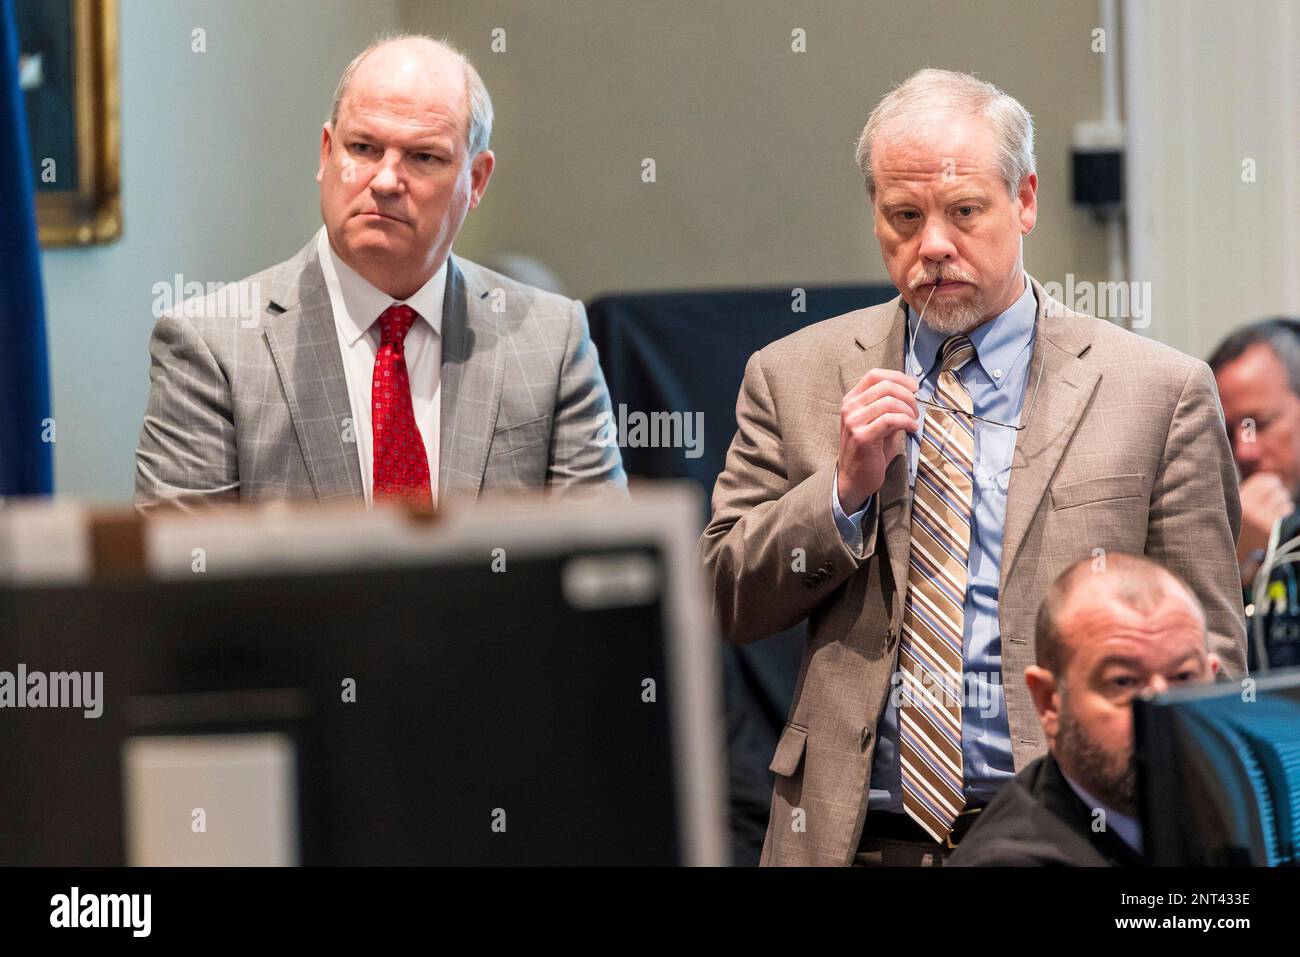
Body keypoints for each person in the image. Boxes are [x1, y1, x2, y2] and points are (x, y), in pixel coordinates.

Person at [699, 68, 1247, 867]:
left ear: (1024, 200)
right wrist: (842, 493)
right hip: (852, 836)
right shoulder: (795, 375)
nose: (933, 247)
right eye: (905, 217)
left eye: (964, 212)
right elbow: (725, 598)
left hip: (1063, 836)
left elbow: (1212, 660)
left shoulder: (1158, 392)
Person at [135, 35, 624, 510]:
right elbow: (185, 580)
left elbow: (606, 565)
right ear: (327, 154)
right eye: (364, 148)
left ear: (475, 181)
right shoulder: (211, 347)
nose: (386, 180)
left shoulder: (551, 340)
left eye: (423, 156)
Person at [949, 553, 1220, 866]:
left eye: (1184, 677)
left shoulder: (1257, 808)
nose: (1161, 711)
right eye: (1123, 682)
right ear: (1049, 700)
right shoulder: (1008, 861)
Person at [1208, 318, 1300, 591]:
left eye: (1262, 423)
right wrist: (1232, 567)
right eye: (1228, 431)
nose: (1243, 452)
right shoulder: (1216, 524)